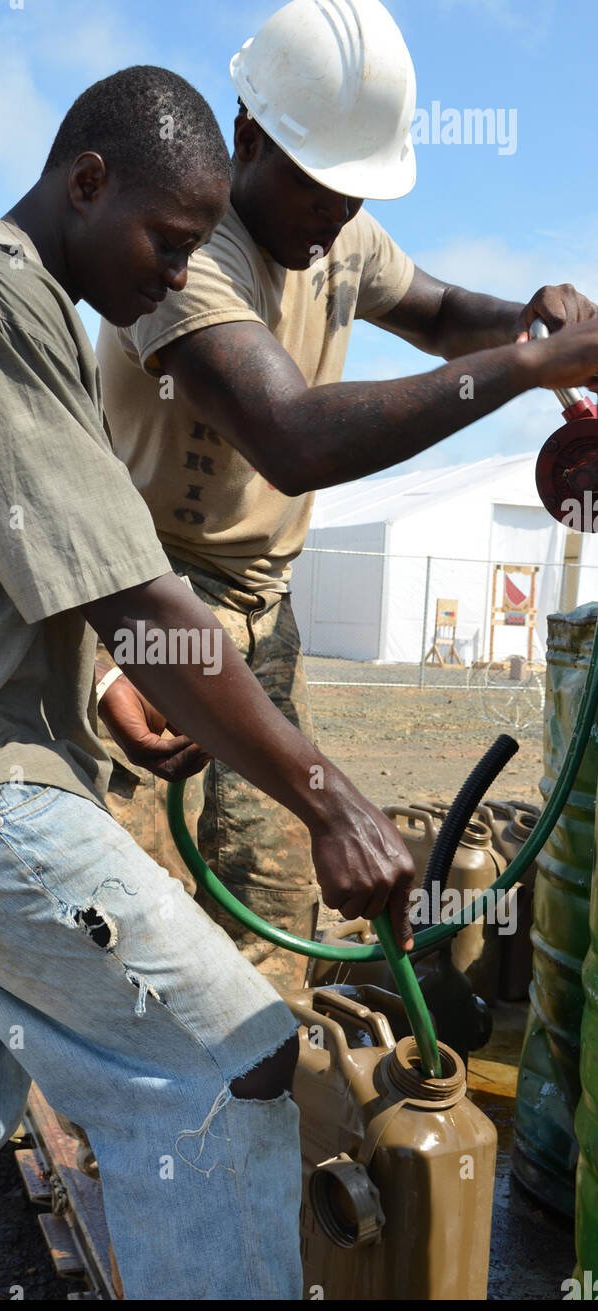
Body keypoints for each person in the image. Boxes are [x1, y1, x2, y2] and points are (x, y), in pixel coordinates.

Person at [0, 65, 416, 1302]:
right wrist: (326, 796)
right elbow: (135, 597)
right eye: (169, 238)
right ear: (86, 182)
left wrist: (108, 696)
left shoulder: (5, 310)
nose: (180, 272)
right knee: (231, 1065)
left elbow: (20, 579)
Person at [96, 0, 598, 991]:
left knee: (268, 897)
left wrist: (530, 326)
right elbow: (291, 438)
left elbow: (440, 310)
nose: (334, 213)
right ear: (246, 138)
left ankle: (239, 1120)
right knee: (109, 918)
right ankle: (67, 1135)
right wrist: (525, 369)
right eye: (319, 185)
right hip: (135, 606)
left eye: (352, 193)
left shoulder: (339, 235)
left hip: (256, 616)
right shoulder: (183, 259)